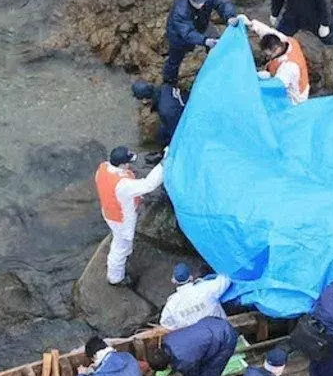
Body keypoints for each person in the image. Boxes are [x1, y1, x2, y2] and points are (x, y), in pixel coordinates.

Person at [94, 146, 165, 287]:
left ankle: (121, 259)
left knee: (120, 241)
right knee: (120, 248)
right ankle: (115, 277)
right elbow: (149, 185)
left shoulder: (102, 169)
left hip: (110, 212)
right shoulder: (123, 184)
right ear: (121, 164)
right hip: (121, 219)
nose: (129, 165)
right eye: (127, 162)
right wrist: (163, 165)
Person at [164, 0, 239, 85]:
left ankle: (216, 64)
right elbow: (187, 33)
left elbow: (223, 3)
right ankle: (169, 81)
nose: (200, 4)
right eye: (195, 1)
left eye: (202, 0)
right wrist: (204, 40)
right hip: (179, 35)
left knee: (215, 41)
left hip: (201, 24)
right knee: (175, 59)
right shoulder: (180, 11)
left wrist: (230, 16)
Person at [269, 0, 333, 75]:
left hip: (315, 15)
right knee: (279, 37)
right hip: (293, 14)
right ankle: (272, 61)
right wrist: (274, 13)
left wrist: (325, 23)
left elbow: (324, 2)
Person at [153, 315, 239, 376]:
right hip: (211, 323)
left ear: (167, 365)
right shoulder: (167, 340)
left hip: (226, 337)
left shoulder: (184, 361)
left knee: (208, 374)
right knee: (200, 358)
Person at [245, 17, 310, 105]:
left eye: (269, 55)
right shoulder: (288, 41)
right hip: (298, 82)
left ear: (277, 49)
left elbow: (277, 85)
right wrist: (251, 24)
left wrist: (252, 86)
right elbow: (267, 31)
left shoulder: (288, 67)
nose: (268, 57)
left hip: (295, 98)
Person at [160, 262, 232, 329]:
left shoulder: (171, 304)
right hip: (221, 331)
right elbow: (226, 279)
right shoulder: (207, 288)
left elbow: (165, 323)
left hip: (196, 339)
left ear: (173, 280)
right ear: (191, 277)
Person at [131, 81, 189, 148]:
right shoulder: (164, 87)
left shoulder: (165, 111)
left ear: (144, 100)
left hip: (187, 119)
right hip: (187, 104)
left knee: (161, 136)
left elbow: (177, 133)